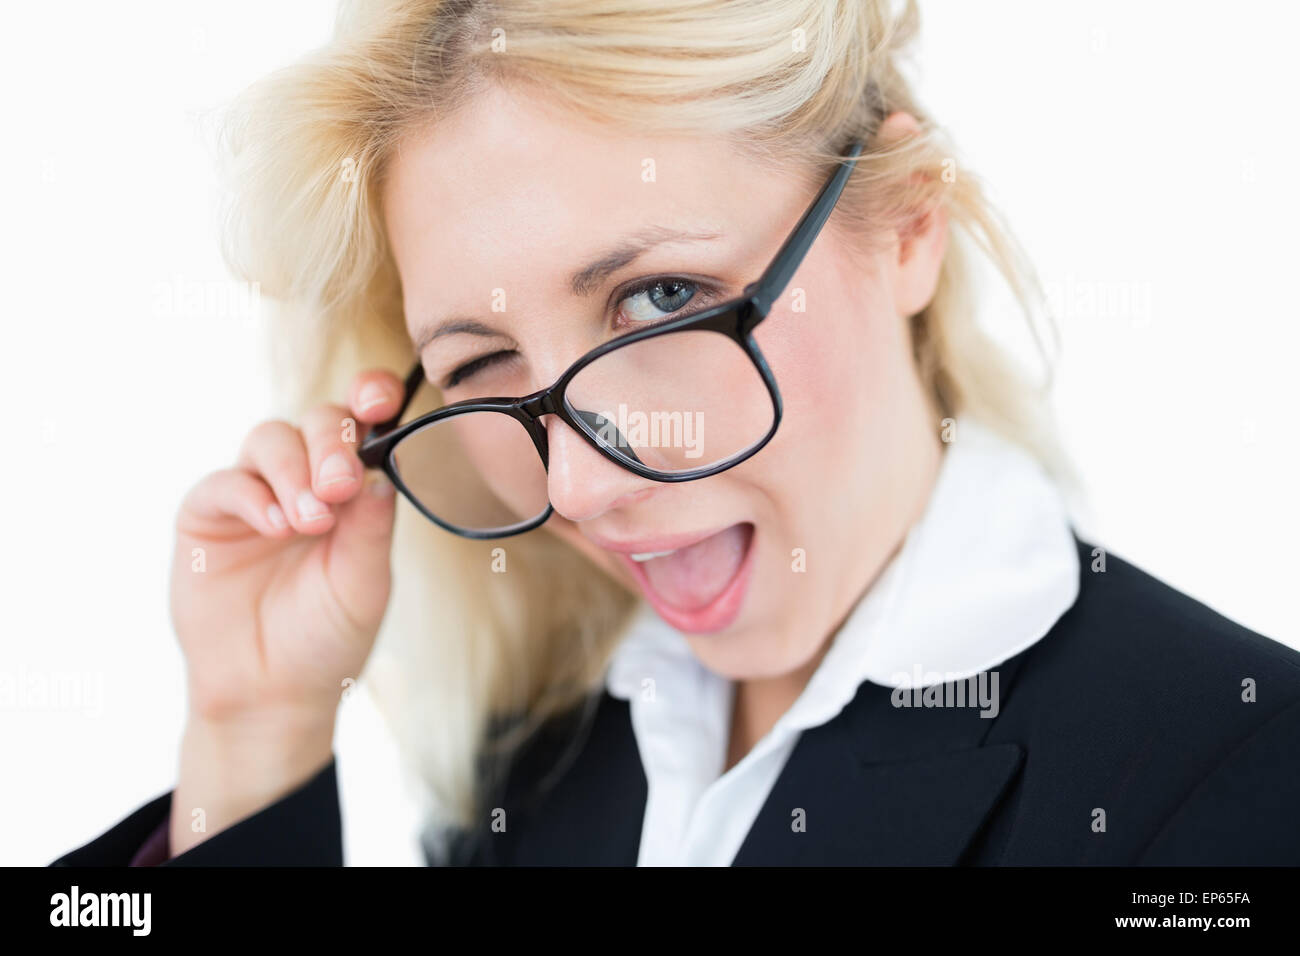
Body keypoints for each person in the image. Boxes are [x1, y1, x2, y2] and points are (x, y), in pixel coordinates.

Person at [54, 0, 1300, 867]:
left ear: (907, 219)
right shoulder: (538, 767)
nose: (583, 483)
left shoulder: (1241, 779)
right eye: (482, 362)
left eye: (660, 300)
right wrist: (251, 732)